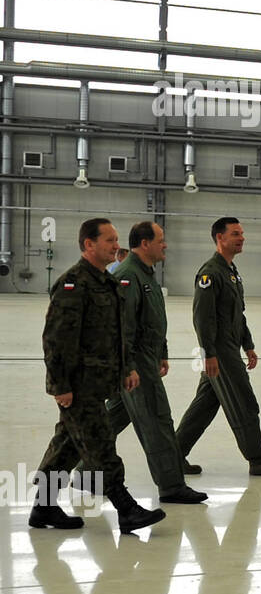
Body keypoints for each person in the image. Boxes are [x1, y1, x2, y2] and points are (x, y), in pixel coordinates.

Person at [30, 218, 166, 533]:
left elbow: (117, 334)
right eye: (109, 240)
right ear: (89, 244)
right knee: (100, 443)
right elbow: (56, 340)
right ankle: (126, 509)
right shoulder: (73, 283)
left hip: (99, 381)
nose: (116, 245)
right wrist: (60, 386)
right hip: (78, 385)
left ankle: (43, 507)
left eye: (116, 239)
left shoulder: (107, 282)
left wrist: (126, 368)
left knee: (68, 444)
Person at [174, 217, 261, 476]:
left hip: (229, 347)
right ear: (220, 238)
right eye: (236, 234)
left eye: (242, 233)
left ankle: (173, 456)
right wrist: (209, 353)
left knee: (204, 407)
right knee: (244, 402)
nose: (242, 238)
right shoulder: (210, 273)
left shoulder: (231, 272)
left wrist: (248, 344)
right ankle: (258, 459)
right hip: (221, 352)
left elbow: (238, 313)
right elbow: (202, 318)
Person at [104, 221, 206, 504]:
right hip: (135, 362)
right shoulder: (128, 275)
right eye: (161, 240)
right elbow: (122, 327)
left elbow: (152, 318)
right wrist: (129, 367)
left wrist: (162, 351)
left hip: (145, 357)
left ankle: (85, 472)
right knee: (156, 419)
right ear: (145, 243)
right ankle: (172, 486)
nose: (165, 245)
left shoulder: (145, 273)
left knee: (113, 417)